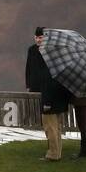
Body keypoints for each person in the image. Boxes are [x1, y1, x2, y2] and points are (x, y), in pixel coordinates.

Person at [26, 27, 69, 162]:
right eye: (37, 37)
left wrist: (46, 102)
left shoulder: (49, 57)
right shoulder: (51, 55)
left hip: (50, 97)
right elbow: (29, 69)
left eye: (41, 37)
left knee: (50, 127)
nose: (39, 39)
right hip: (55, 96)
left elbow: (48, 82)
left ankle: (53, 154)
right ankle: (57, 152)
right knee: (55, 127)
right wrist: (30, 85)